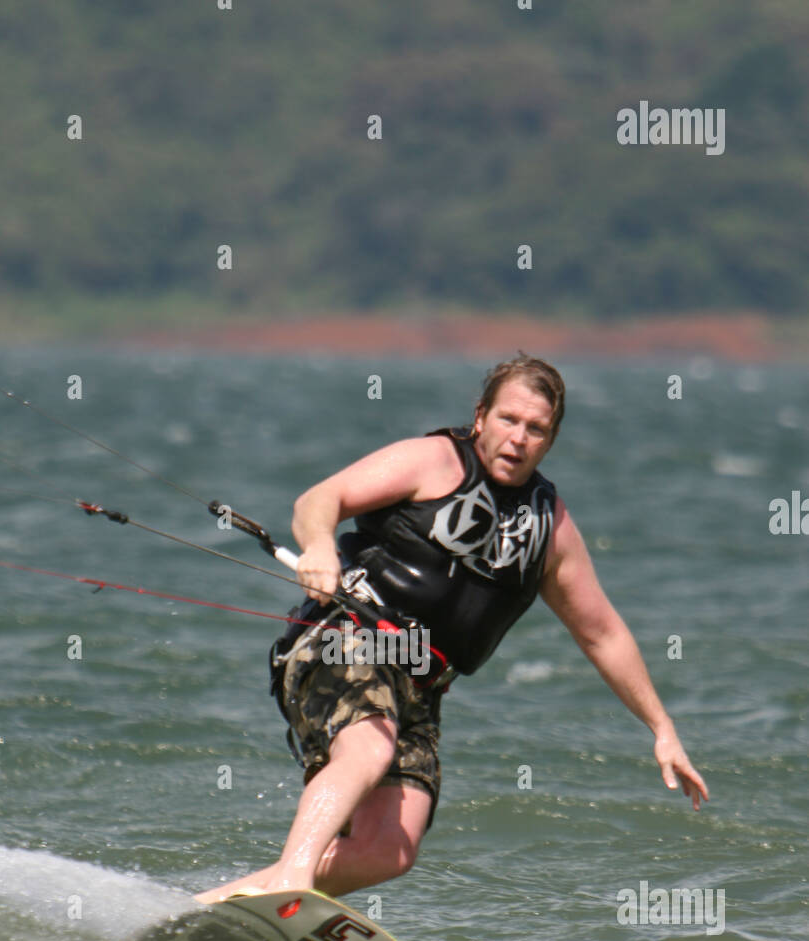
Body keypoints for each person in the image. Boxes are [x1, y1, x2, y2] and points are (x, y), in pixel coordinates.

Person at [197, 353, 708, 906]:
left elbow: (601, 633)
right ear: (481, 416)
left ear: (551, 440)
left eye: (536, 429)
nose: (519, 439)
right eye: (509, 420)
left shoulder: (549, 526)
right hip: (345, 639)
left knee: (389, 848)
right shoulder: (434, 461)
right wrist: (320, 545)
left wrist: (661, 727)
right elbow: (319, 501)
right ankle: (293, 886)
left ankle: (222, 906)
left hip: (421, 689)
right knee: (366, 752)